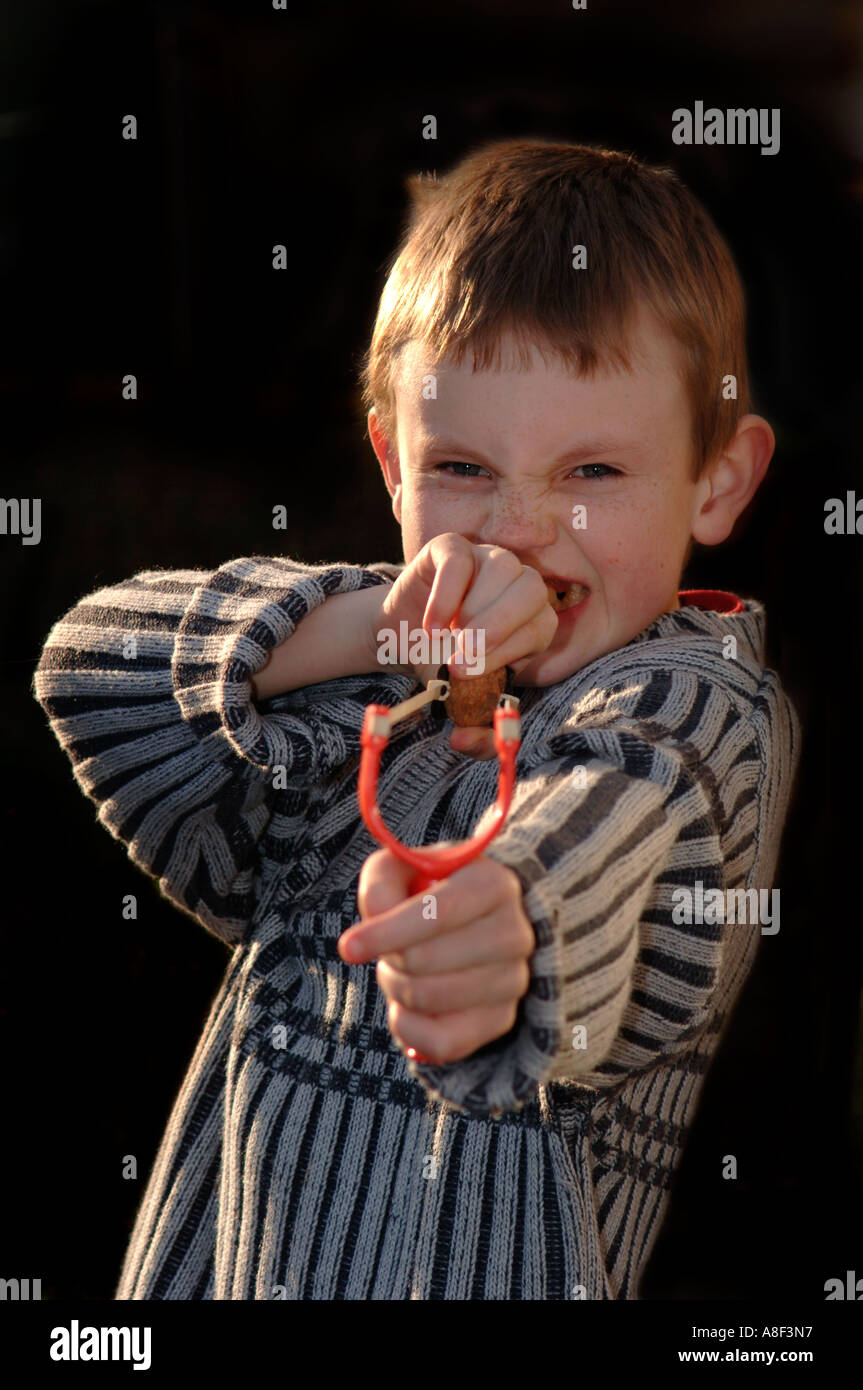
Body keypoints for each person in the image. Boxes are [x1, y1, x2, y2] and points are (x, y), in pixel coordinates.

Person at [32, 137, 800, 1300]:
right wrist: (383, 631)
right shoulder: (353, 705)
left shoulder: (702, 699)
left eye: (590, 471)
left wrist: (505, 922)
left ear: (717, 481)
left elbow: (620, 825)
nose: (519, 528)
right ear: (392, 464)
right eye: (462, 467)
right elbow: (90, 668)